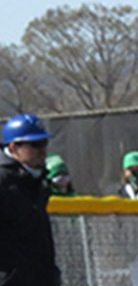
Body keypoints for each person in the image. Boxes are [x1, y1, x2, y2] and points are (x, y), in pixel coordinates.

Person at [0, 113, 62, 285]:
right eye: (35, 144)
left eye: (44, 143)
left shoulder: (37, 180)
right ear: (13, 148)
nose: (43, 150)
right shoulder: (3, 181)